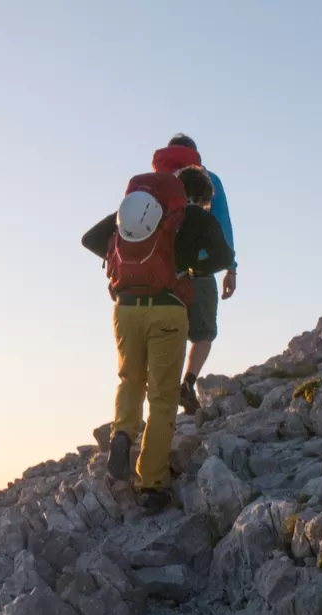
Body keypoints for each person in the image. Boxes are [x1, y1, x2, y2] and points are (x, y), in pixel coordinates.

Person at [81, 167, 234, 513]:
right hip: (168, 310)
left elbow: (90, 239)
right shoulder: (191, 217)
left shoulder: (143, 208)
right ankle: (151, 483)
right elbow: (223, 258)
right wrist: (190, 264)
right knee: (163, 398)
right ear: (202, 198)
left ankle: (122, 435)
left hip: (124, 310)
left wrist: (119, 260)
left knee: (130, 380)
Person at [150, 134, 236, 414]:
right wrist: (230, 269)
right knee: (204, 333)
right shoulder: (209, 180)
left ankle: (162, 395)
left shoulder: (157, 184)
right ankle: (187, 383)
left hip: (162, 273)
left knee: (169, 333)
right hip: (199, 271)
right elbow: (222, 223)